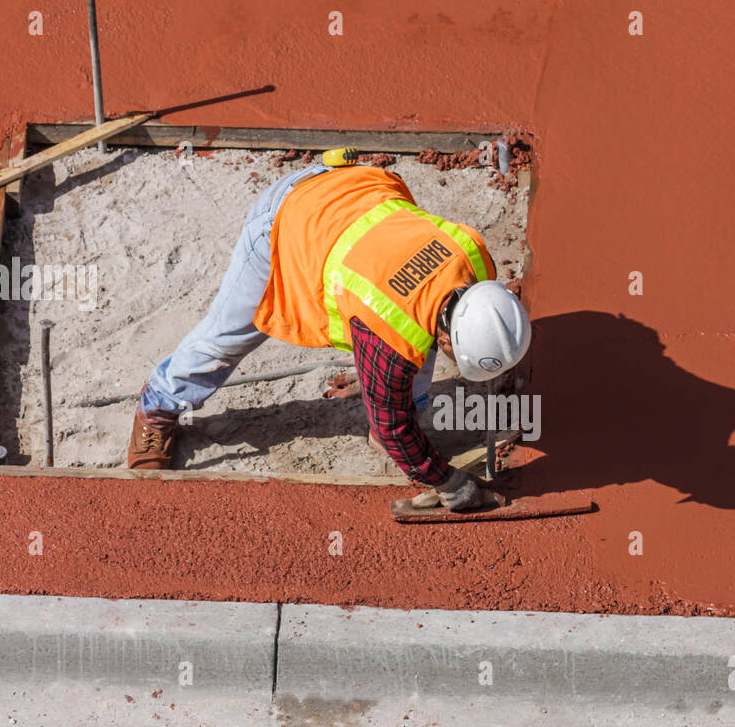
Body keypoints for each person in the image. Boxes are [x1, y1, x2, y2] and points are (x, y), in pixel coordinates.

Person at [127, 160, 530, 511]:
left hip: (352, 194)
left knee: (408, 342)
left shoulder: (474, 258)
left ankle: (386, 393)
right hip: (288, 218)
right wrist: (447, 482)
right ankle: (158, 406)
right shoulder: (390, 336)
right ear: (448, 340)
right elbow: (393, 426)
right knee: (226, 338)